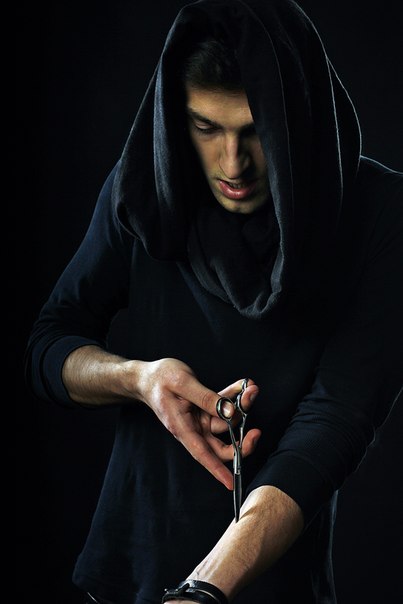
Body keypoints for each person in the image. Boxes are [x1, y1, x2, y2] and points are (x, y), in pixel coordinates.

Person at [24, 0, 403, 603]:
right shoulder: (143, 185)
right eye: (206, 128)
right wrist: (140, 380)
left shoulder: (379, 213)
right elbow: (47, 346)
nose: (233, 164)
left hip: (271, 589)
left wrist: (202, 591)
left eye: (257, 130)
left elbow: (337, 419)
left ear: (299, 118)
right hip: (121, 577)